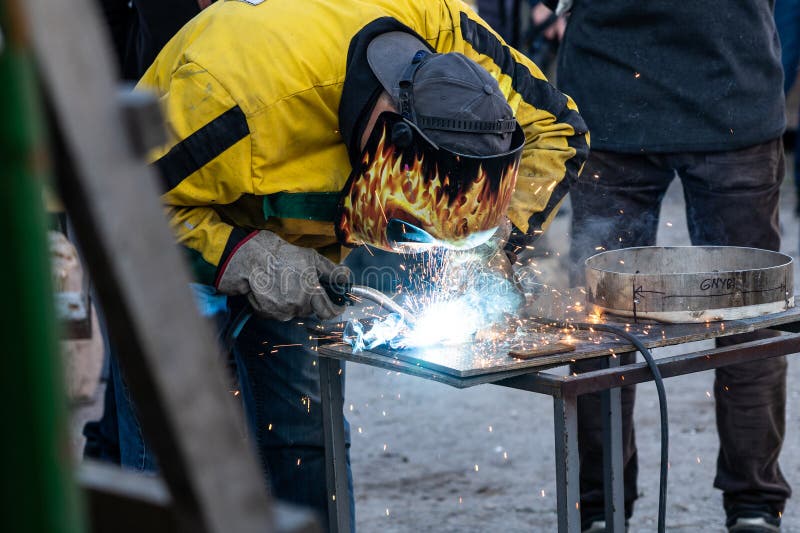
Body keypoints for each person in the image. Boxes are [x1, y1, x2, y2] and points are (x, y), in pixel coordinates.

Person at [109, 0, 588, 527]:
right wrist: (242, 256)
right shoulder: (232, 94)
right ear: (389, 143)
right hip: (177, 221)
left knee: (302, 434)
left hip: (292, 229)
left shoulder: (444, 32)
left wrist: (487, 243)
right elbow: (120, 201)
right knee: (177, 441)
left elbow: (562, 130)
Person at [549, 0, 790, 531]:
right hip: (725, 85)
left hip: (622, 92)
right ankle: (752, 507)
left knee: (603, 327)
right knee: (747, 318)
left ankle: (603, 508)